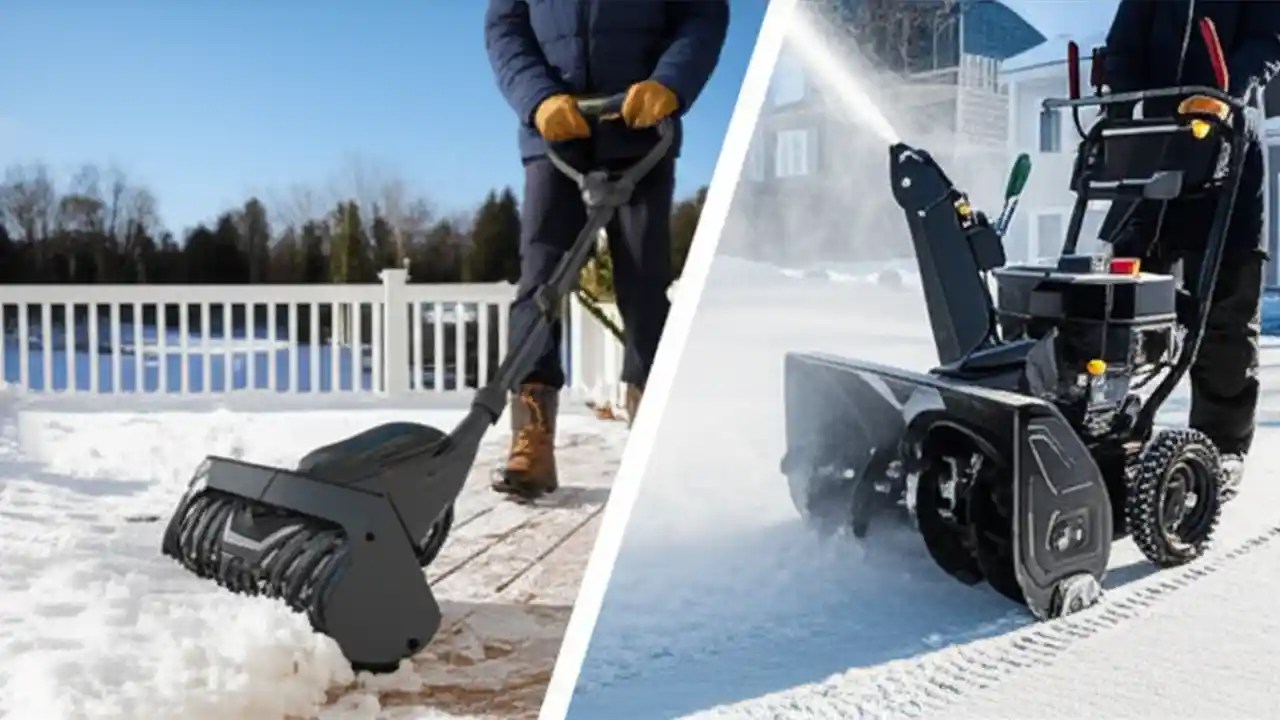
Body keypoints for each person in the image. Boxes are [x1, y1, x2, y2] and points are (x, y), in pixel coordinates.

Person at [483, 0, 730, 499]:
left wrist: (670, 83)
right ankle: (532, 437)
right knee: (541, 281)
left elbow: (702, 13)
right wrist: (538, 99)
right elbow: (505, 27)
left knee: (643, 279)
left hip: (641, 124)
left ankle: (653, 427)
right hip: (555, 131)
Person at [1103, 0, 1280, 500]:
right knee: (1119, 296)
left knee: (1223, 306)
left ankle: (1220, 449)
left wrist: (1223, 92)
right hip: (1153, 149)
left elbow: (1268, 41)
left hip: (1228, 149)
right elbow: (1123, 45)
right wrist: (1119, 105)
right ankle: (1104, 422)